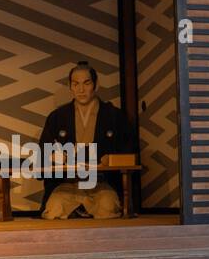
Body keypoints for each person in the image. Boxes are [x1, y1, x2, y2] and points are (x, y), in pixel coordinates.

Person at [37, 62, 137, 219]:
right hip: (68, 184)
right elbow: (43, 152)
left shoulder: (114, 116)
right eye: (75, 84)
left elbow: (128, 150)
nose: (81, 90)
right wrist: (56, 157)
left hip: (101, 183)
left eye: (87, 83)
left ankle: (81, 211)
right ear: (70, 87)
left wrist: (110, 159)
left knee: (108, 206)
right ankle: (78, 211)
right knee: (54, 209)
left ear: (96, 85)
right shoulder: (57, 117)